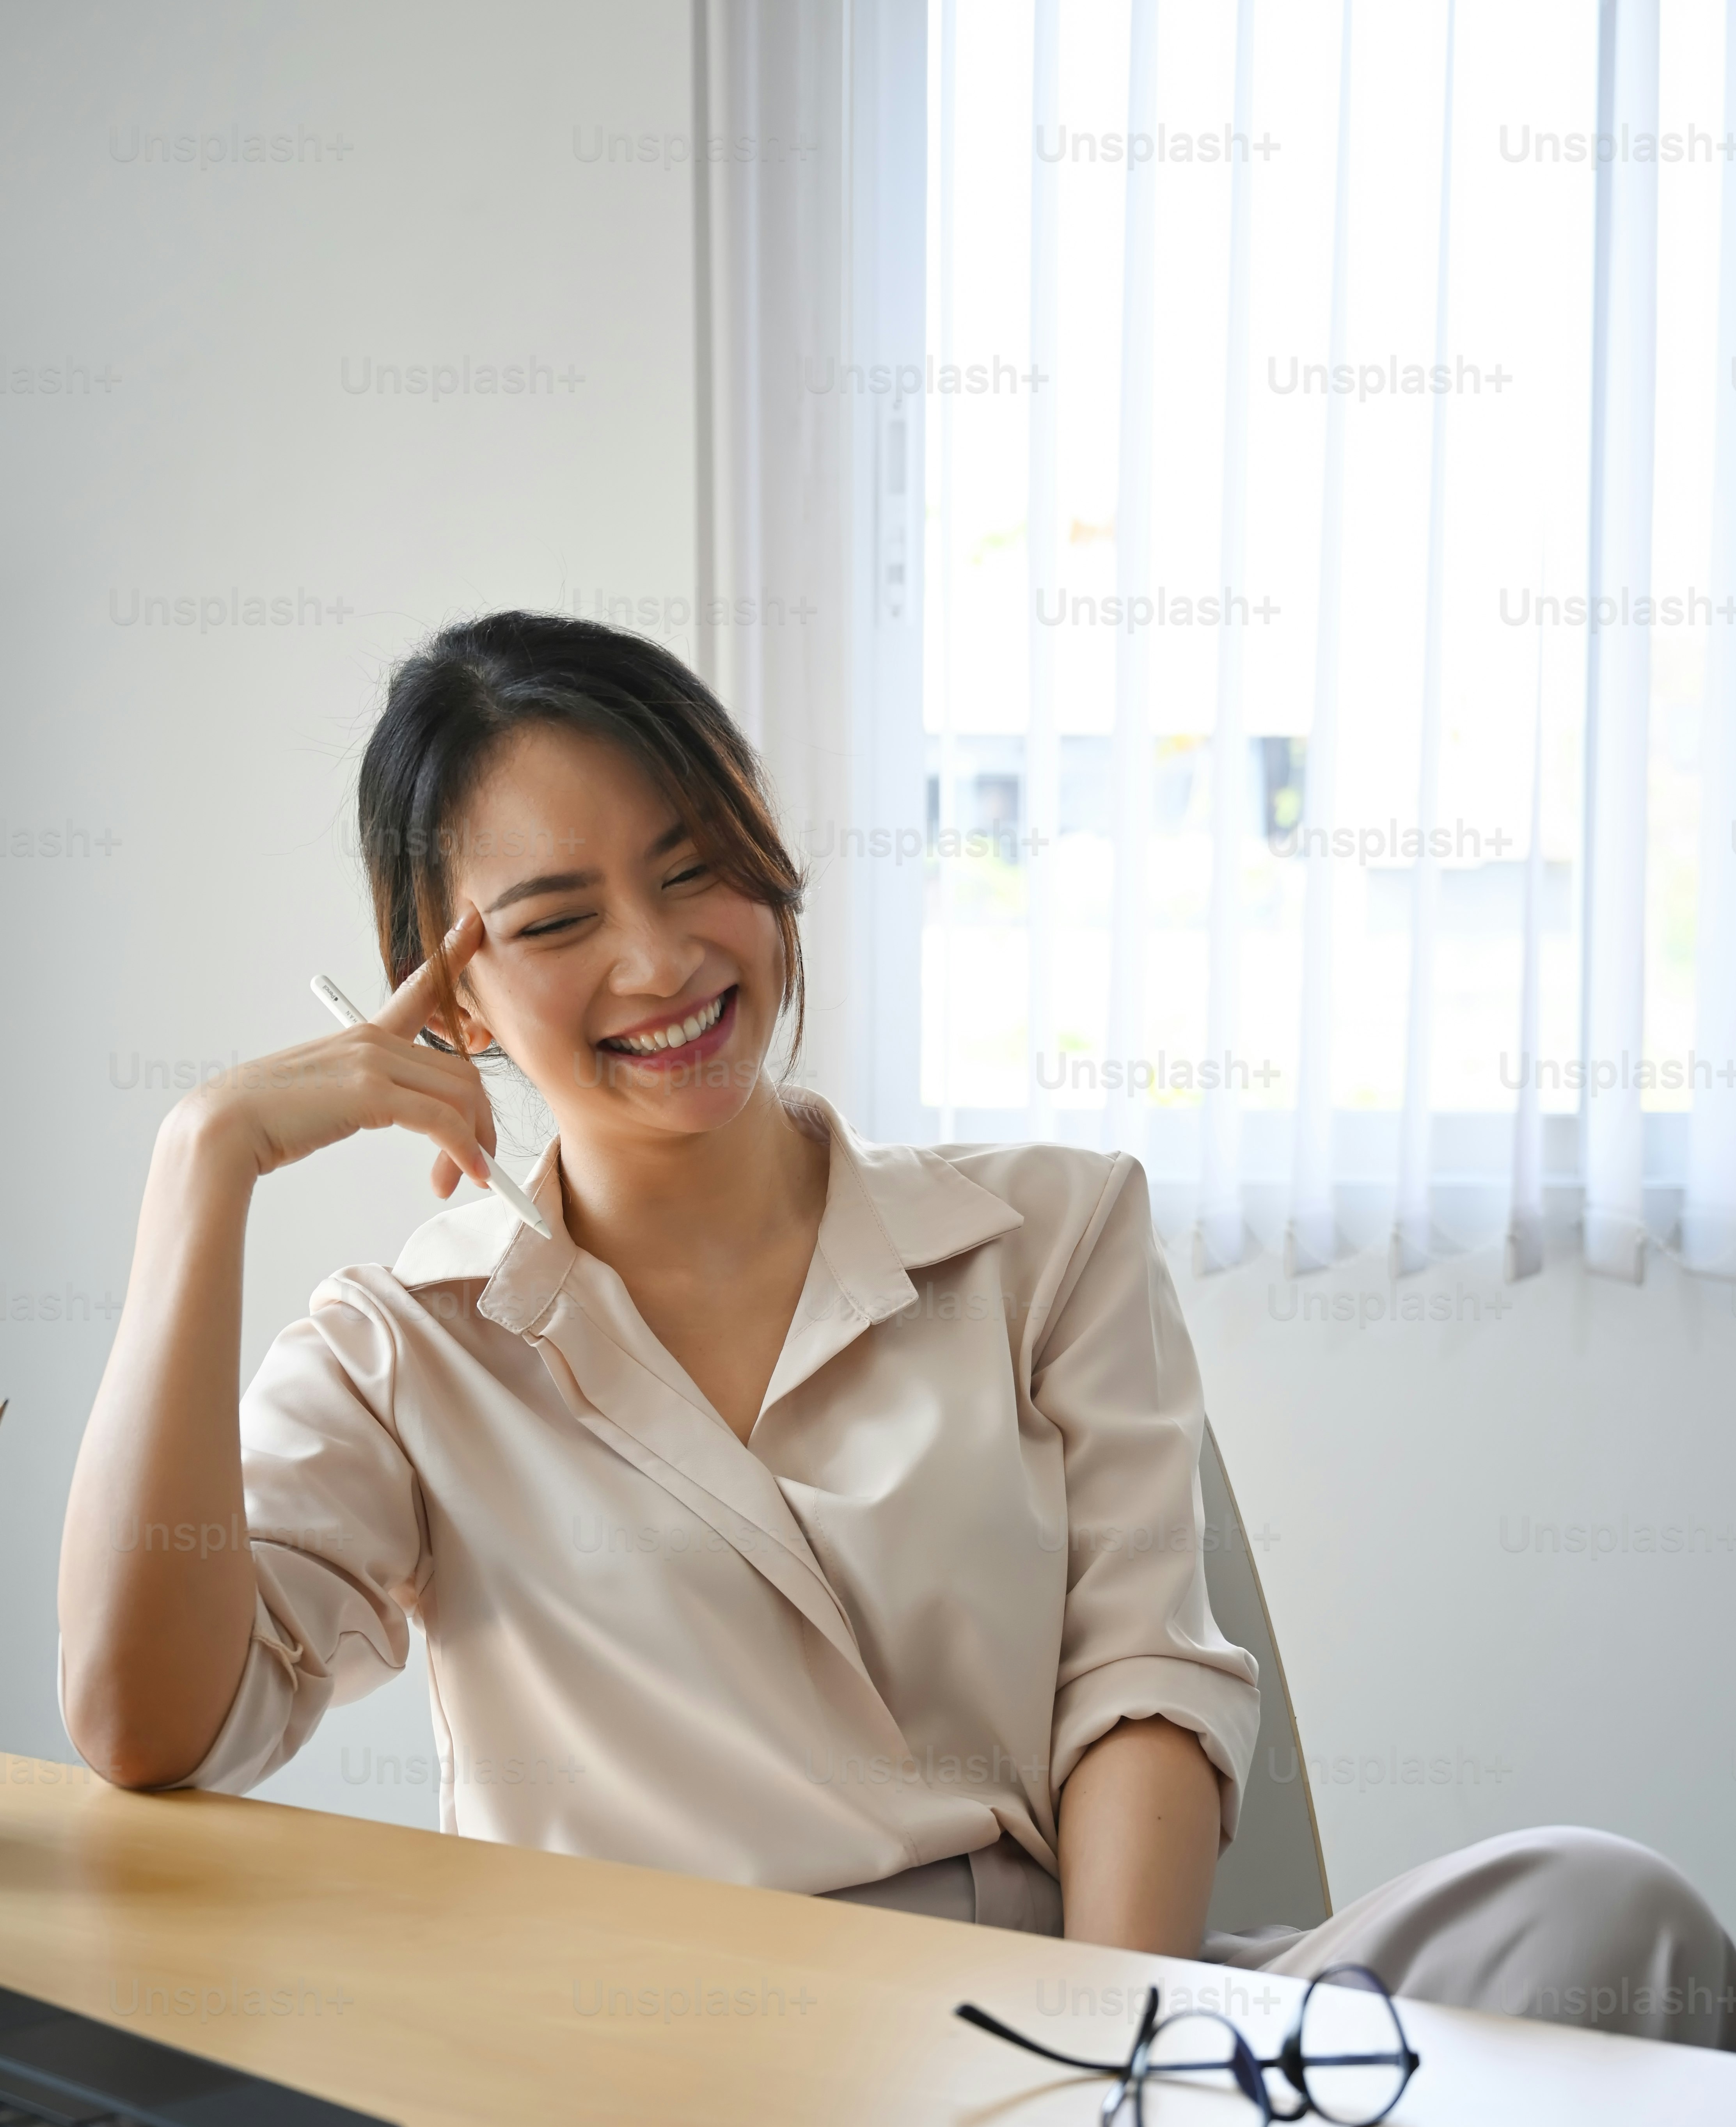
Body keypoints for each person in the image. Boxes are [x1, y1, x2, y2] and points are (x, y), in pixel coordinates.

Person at [60, 615, 1736, 2042]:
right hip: (670, 2069)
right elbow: (149, 1724)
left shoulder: (1051, 1227)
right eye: (557, 922)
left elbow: (1139, 1683)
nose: (660, 959)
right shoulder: (405, 1347)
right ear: (448, 995)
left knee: (1609, 1921)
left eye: (698, 868)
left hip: (1077, 2011)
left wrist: (1114, 2074)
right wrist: (200, 1167)